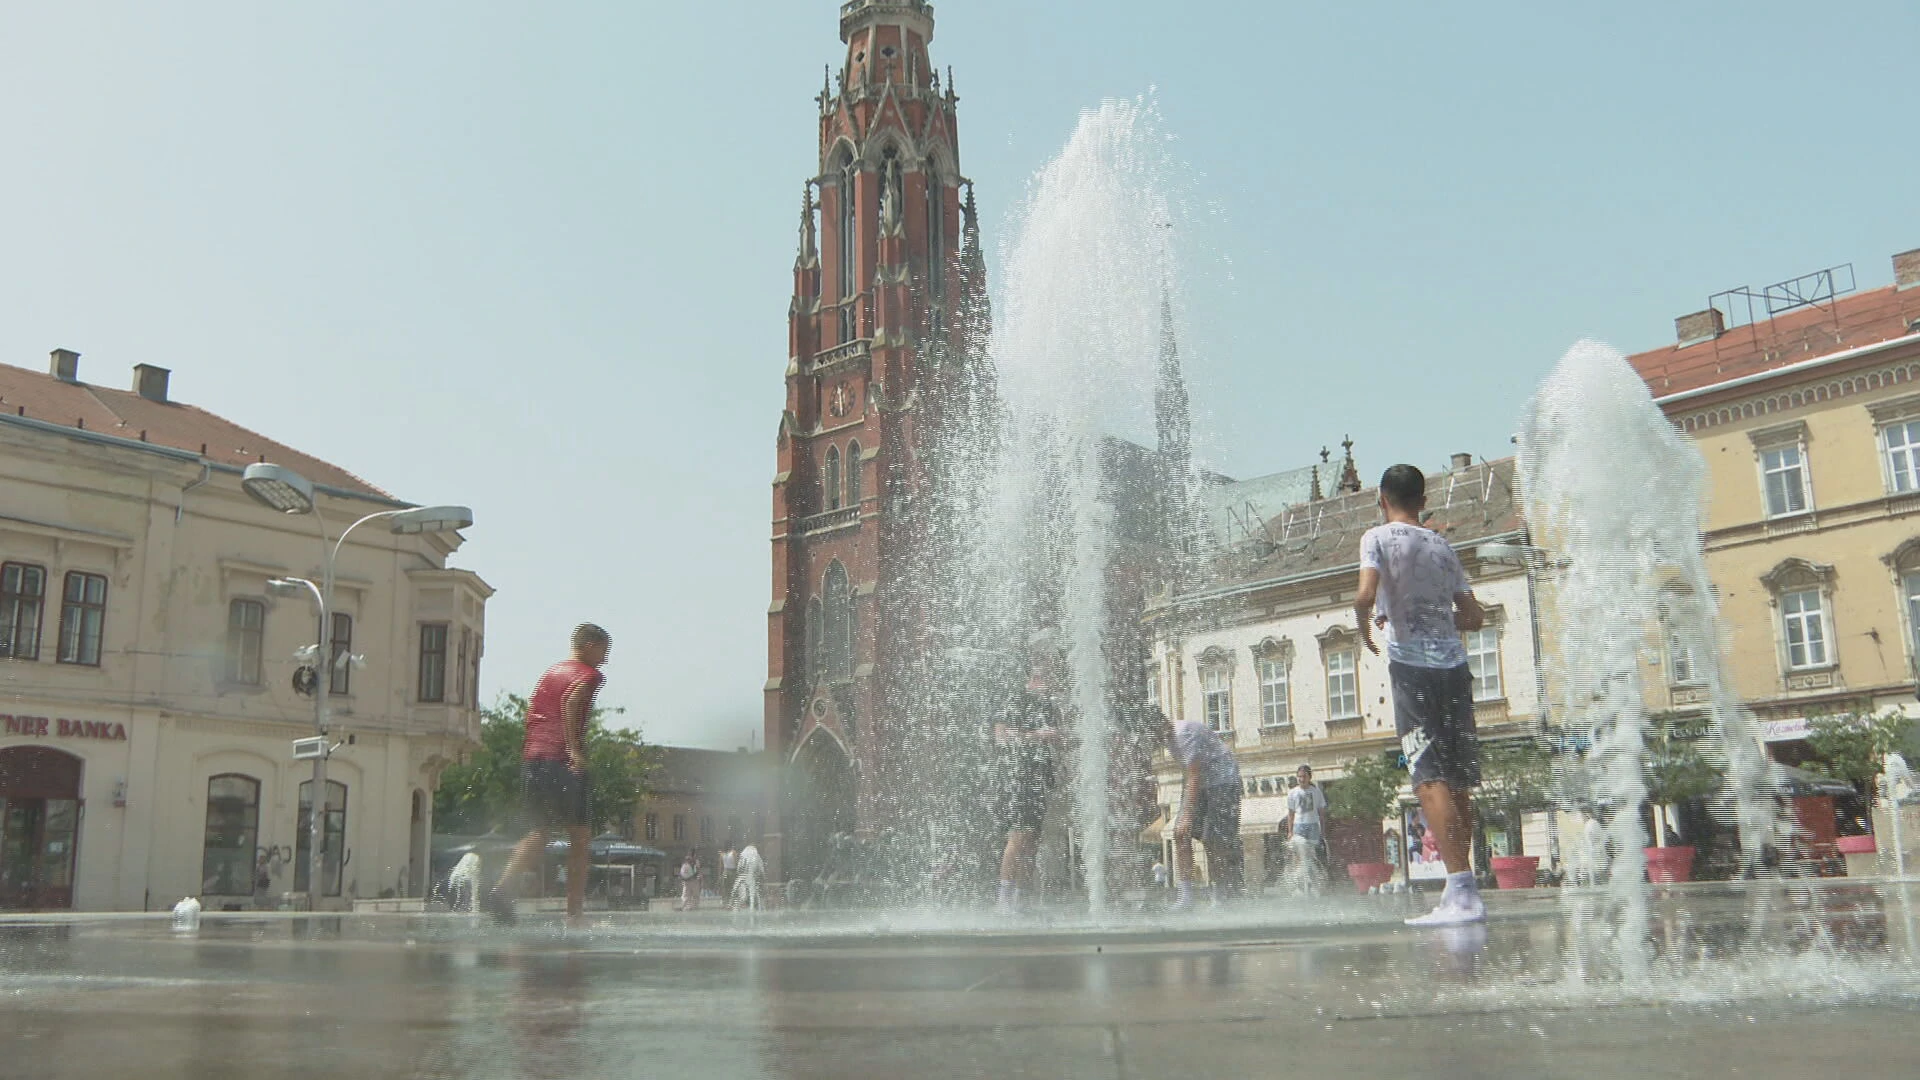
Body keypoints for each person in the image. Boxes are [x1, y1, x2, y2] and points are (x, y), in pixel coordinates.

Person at [1355, 464, 1487, 928]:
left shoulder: (1376, 536)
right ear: (1423, 498)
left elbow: (1364, 594)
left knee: (1428, 777)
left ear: (1381, 497)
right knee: (1458, 781)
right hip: (1454, 667)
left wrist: (1364, 621)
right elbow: (1473, 616)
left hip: (1412, 668)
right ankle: (1462, 889)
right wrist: (1436, 616)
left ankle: (1463, 893)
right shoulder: (1443, 546)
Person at [484, 623, 611, 926]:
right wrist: (574, 751)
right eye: (604, 651)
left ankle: (501, 890)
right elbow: (570, 705)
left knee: (539, 831)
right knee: (580, 837)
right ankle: (575, 915)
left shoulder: (552, 672)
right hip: (562, 760)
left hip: (533, 758)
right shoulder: (590, 675)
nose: (605, 659)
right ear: (590, 645)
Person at [992, 665, 1064, 915]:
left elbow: (1054, 740)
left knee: (1032, 839)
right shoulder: (1016, 700)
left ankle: (1023, 899)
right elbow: (1001, 737)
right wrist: (1037, 735)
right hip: (1018, 775)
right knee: (1018, 836)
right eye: (1040, 677)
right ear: (1029, 681)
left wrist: (1059, 738)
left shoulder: (1048, 706)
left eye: (1047, 677)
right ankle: (1004, 900)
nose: (1046, 682)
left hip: (1040, 776)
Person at [1162, 707, 1244, 911]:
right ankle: (1186, 897)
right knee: (1180, 834)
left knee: (1213, 839)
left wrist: (1187, 815)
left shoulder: (1182, 735)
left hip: (1224, 780)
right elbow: (1190, 774)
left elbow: (1194, 774)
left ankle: (1220, 896)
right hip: (1201, 780)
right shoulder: (1168, 738)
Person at [1285, 765, 1330, 859]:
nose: (1302, 779)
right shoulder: (1293, 793)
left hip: (1313, 825)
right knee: (1299, 853)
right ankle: (1298, 871)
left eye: (1304, 776)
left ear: (1309, 777)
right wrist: (1290, 831)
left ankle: (1311, 871)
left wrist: (1323, 830)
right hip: (1298, 826)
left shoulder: (1316, 791)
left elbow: (1321, 813)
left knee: (1311, 854)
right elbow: (1291, 814)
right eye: (1299, 776)